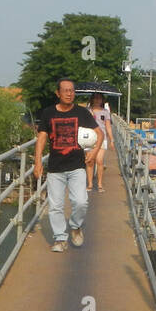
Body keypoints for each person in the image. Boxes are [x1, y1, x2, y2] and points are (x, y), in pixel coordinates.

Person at [34, 78, 103, 252]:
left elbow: (99, 134)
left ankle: (75, 226)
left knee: (81, 202)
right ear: (58, 93)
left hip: (77, 166)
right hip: (55, 168)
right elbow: (42, 138)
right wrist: (37, 161)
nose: (69, 93)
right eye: (65, 90)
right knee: (55, 205)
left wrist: (94, 153)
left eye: (71, 90)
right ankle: (59, 239)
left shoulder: (82, 113)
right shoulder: (48, 113)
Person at [86, 92, 114, 192]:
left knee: (99, 160)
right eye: (95, 98)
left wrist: (111, 139)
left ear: (102, 100)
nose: (97, 100)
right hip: (90, 139)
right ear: (92, 99)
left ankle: (99, 184)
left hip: (102, 139)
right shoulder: (87, 111)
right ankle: (89, 184)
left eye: (99, 98)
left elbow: (108, 126)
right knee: (90, 161)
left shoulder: (105, 112)